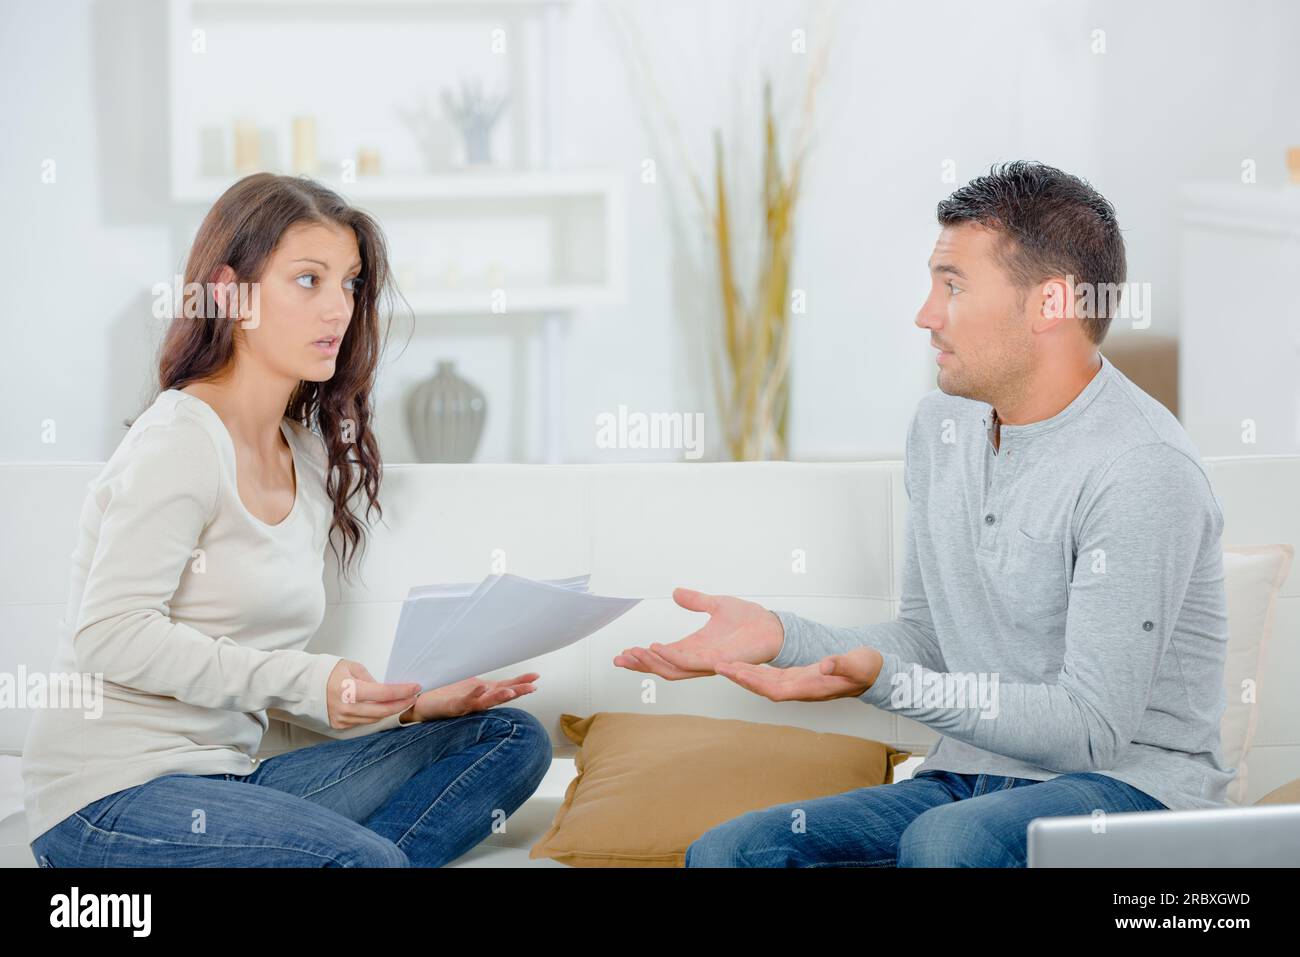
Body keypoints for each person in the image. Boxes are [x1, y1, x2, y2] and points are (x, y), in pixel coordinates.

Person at [615, 160, 1234, 867]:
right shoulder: (941, 430)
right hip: (968, 779)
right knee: (732, 851)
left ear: (1052, 303)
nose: (926, 313)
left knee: (947, 843)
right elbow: (930, 640)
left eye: (954, 286)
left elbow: (1092, 728)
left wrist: (889, 682)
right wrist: (782, 636)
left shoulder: (1141, 466)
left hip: (1126, 792)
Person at [24, 173, 551, 867]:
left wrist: (408, 707)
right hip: (110, 799)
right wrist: (314, 680)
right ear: (229, 293)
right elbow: (110, 634)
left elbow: (260, 676)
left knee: (512, 737)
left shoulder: (302, 451)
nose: (338, 307)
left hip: (232, 781)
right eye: (309, 280)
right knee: (371, 861)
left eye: (351, 283)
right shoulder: (180, 441)